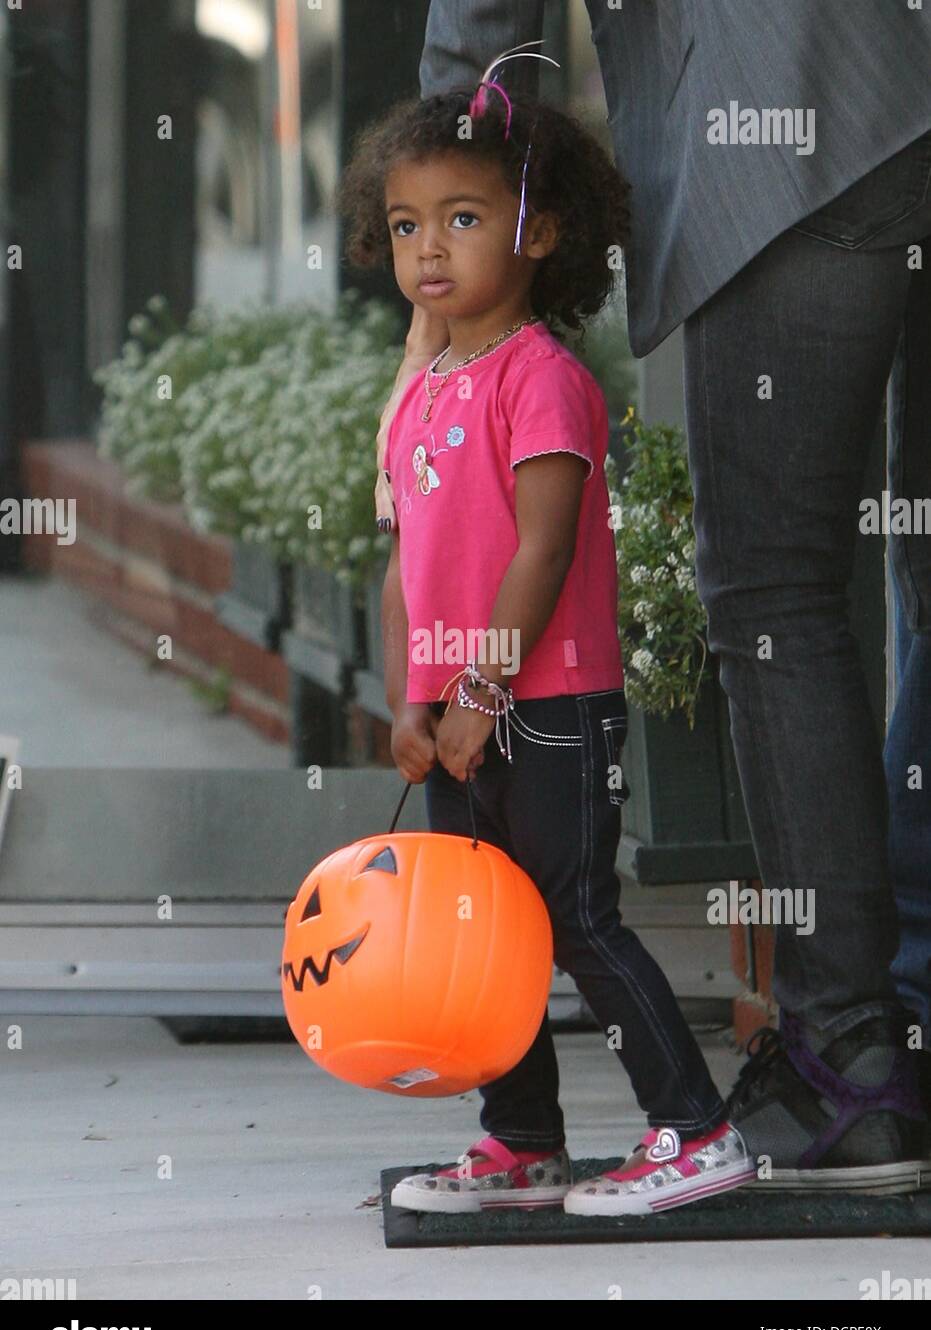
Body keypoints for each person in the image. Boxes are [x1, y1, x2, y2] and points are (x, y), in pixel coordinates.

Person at [391, 0, 931, 1195]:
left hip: (799, 121)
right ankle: (892, 1034)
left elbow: (485, 29)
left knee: (775, 590)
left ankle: (847, 1055)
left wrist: (442, 296)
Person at [337, 64, 759, 1215]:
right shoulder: (426, 390)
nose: (431, 250)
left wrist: (479, 687)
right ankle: (521, 1141)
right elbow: (405, 569)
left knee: (571, 916)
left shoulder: (545, 380)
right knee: (488, 930)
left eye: (463, 220)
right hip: (460, 705)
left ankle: (695, 1128)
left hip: (552, 700)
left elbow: (543, 549)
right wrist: (408, 700)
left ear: (541, 230)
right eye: (407, 225)